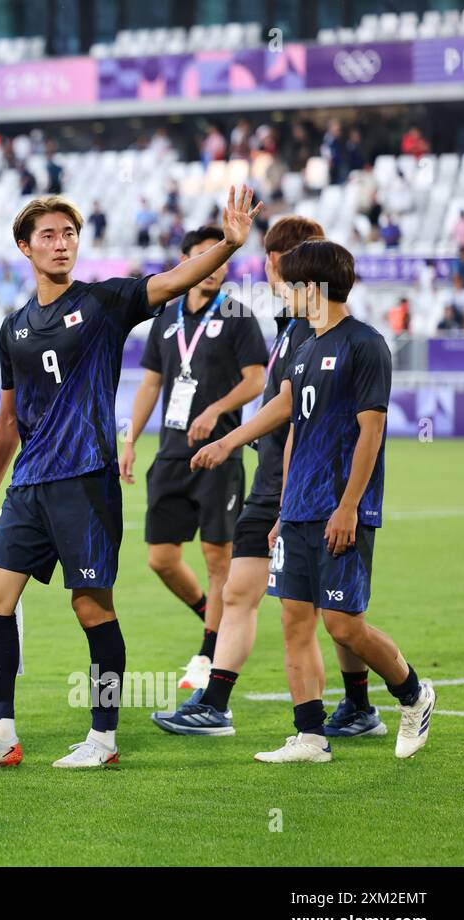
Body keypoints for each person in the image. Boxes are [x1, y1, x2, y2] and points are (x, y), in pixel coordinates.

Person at [0, 186, 262, 771]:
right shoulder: (14, 327)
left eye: (69, 235)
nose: (62, 244)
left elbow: (171, 281)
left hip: (86, 482)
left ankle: (103, 740)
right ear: (24, 247)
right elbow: (9, 414)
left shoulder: (106, 301)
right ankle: (0, 731)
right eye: (49, 236)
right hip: (29, 484)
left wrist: (228, 247)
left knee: (91, 609)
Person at [155, 215, 390, 738]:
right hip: (273, 481)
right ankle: (217, 703)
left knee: (328, 612)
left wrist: (295, 490)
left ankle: (361, 704)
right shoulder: (293, 326)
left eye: (267, 258)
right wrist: (231, 440)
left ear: (278, 263)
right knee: (245, 591)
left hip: (303, 486)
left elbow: (299, 414)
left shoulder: (323, 330)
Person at [258, 240, 434, 762]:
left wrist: (349, 505)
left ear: (312, 288)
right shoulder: (306, 345)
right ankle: (310, 736)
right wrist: (280, 507)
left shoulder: (365, 344)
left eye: (291, 284)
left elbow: (371, 431)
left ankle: (414, 694)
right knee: (294, 620)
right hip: (297, 511)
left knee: (342, 625)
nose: (284, 292)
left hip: (340, 508)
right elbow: (291, 420)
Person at [122, 226, 267, 691]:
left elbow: (257, 380)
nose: (214, 267)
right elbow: (150, 383)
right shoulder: (165, 317)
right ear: (185, 261)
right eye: (203, 257)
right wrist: (130, 440)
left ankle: (208, 654)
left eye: (220, 258)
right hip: (169, 454)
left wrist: (216, 409)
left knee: (216, 557)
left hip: (218, 453)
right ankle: (214, 618)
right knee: (161, 558)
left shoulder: (237, 314)